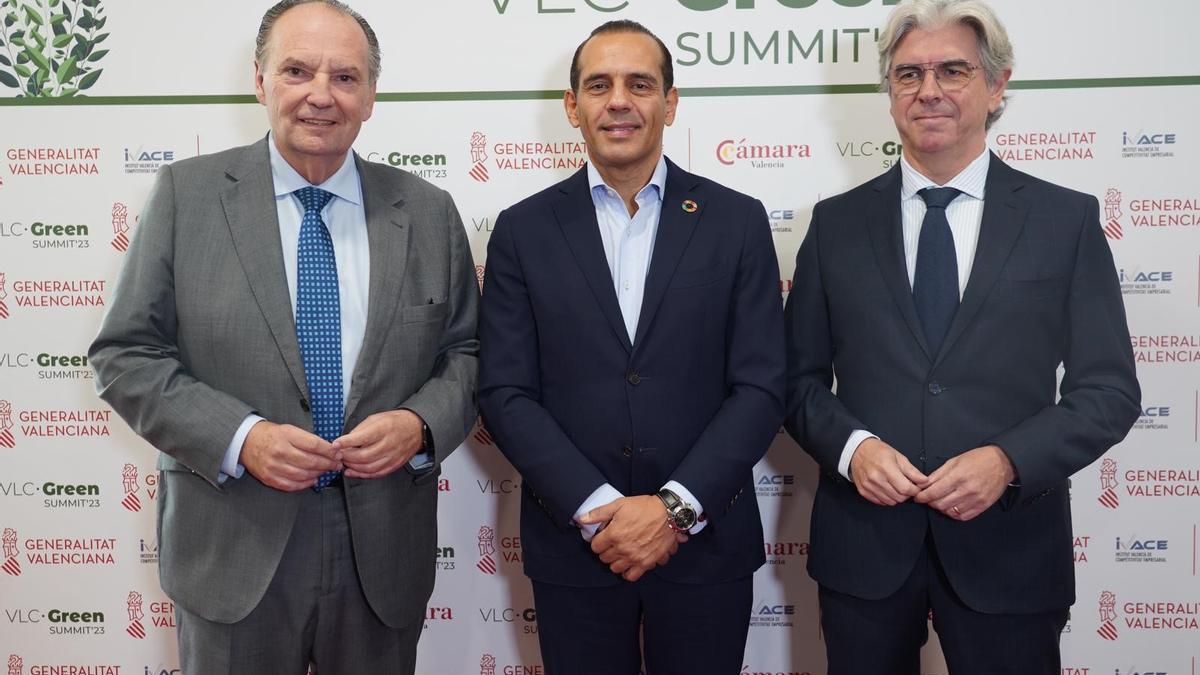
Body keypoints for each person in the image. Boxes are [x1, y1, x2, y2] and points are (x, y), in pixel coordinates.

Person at [88, 1, 479, 672]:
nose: (321, 95)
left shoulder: (428, 211)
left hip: (382, 549)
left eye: (345, 77)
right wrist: (242, 437)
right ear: (260, 80)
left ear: (371, 96)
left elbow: (466, 355)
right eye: (298, 71)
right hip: (233, 542)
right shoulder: (186, 196)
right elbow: (125, 355)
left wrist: (419, 426)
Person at [783, 1, 1139, 673]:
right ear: (890, 92)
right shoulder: (834, 226)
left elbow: (1109, 392)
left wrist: (1007, 461)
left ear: (997, 85)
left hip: (1011, 549)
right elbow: (794, 381)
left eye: (953, 70)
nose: (929, 90)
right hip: (865, 551)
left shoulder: (1064, 221)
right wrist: (854, 450)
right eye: (909, 74)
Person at [478, 20, 785, 675]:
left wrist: (674, 510)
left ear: (669, 103)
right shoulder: (522, 230)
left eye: (640, 84)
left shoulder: (737, 220)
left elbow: (761, 386)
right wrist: (598, 510)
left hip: (705, 543)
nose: (619, 101)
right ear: (573, 106)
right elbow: (505, 391)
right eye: (599, 85)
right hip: (576, 546)